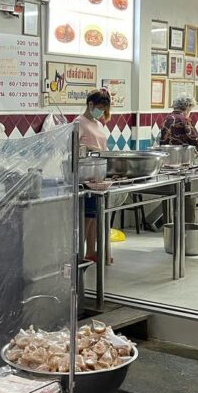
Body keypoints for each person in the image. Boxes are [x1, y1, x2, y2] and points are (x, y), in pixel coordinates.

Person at [78, 89, 111, 263]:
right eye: (99, 108)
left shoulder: (97, 123)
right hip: (85, 176)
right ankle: (79, 254)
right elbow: (73, 149)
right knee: (86, 217)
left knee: (94, 217)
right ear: (90, 104)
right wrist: (92, 150)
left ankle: (91, 251)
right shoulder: (79, 123)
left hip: (98, 174)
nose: (100, 112)